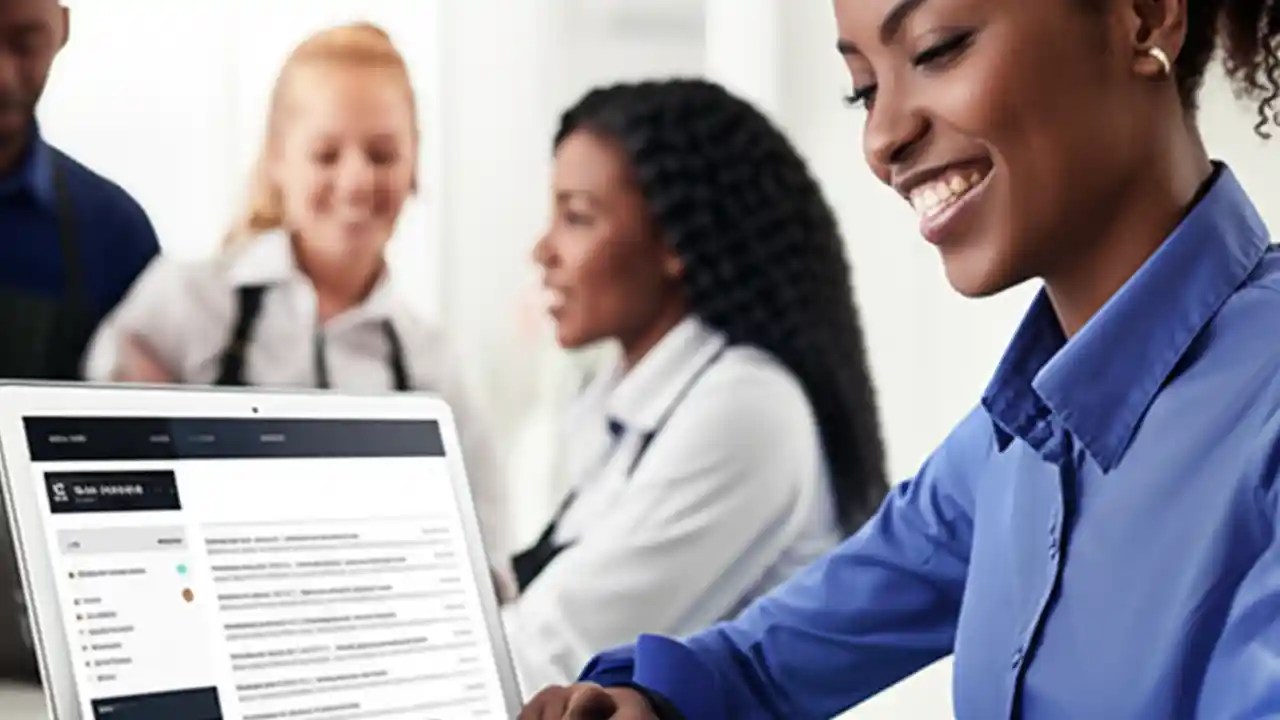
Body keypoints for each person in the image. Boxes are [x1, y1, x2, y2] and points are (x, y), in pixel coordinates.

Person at [520, 0, 1280, 717]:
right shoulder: (1012, 439)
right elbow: (763, 660)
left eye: (937, 49)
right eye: (863, 89)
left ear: (1143, 14)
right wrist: (649, 702)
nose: (882, 139)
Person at [503, 79, 888, 691]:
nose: (542, 250)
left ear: (675, 243)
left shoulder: (746, 409)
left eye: (576, 217)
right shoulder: (622, 398)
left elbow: (548, 657)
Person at [82, 23, 509, 562]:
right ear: (278, 161)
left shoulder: (433, 363)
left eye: (382, 155)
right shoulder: (186, 303)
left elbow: (489, 562)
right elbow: (102, 487)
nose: (356, 180)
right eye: (326, 154)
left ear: (416, 162)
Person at [0, 0, 159, 681]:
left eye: (25, 41)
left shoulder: (114, 232)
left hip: (46, 648)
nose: (2, 75)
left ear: (62, 29)